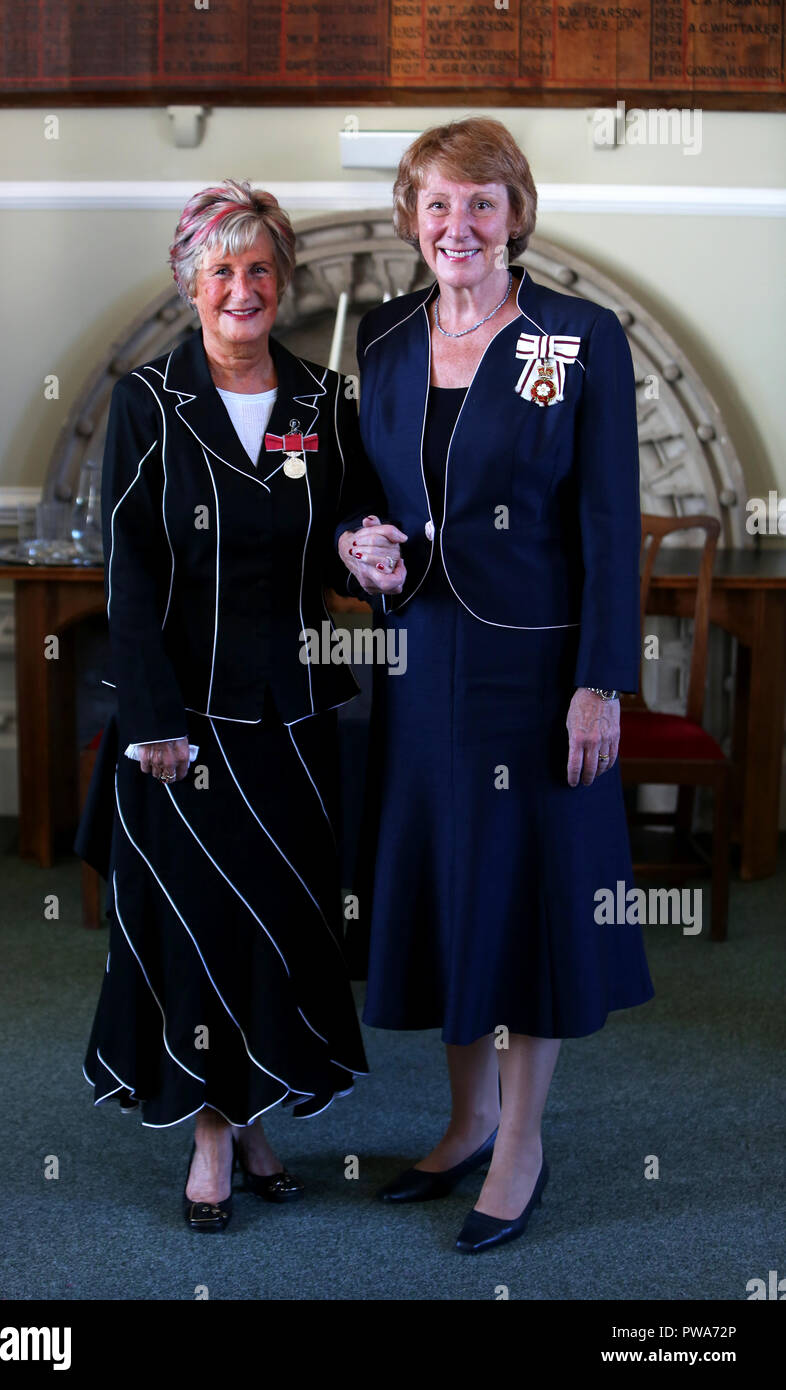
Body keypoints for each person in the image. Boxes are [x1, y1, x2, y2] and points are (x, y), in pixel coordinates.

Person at [338, 118, 654, 1254]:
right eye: (436, 204)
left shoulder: (568, 339)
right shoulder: (380, 338)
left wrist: (600, 684)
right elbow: (361, 496)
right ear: (409, 218)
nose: (456, 226)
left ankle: (520, 1141)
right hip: (421, 664)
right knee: (439, 889)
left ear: (514, 213)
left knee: (523, 901)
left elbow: (608, 524)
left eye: (480, 204)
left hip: (537, 673)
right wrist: (362, 552)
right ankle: (464, 1118)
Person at [79, 180, 403, 1233]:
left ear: (283, 281)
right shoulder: (146, 402)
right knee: (202, 925)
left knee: (284, 923)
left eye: (259, 267)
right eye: (220, 269)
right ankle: (213, 1137)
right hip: (183, 721)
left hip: (294, 712)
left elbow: (344, 520)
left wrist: (363, 543)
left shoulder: (322, 400)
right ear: (190, 283)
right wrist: (152, 720)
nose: (241, 286)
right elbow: (126, 573)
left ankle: (256, 1114)